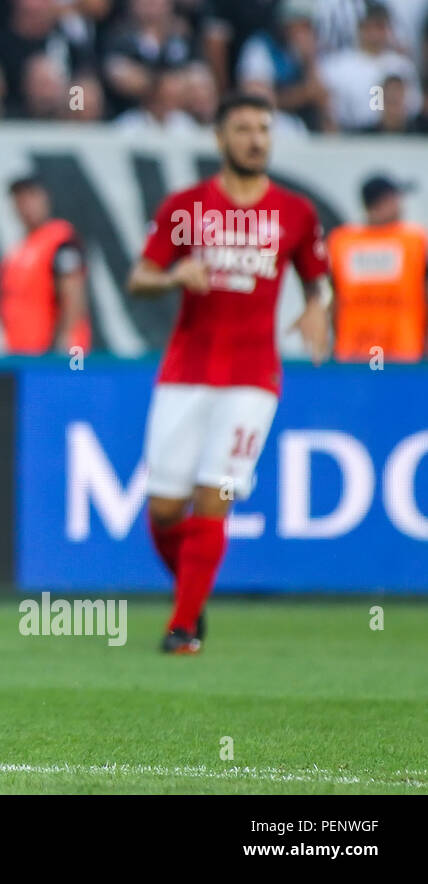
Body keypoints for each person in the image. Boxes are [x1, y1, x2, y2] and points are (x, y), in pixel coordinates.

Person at [127, 92, 331, 654]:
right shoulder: (186, 207)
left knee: (214, 493)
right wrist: (174, 278)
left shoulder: (295, 212)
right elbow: (139, 277)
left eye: (263, 129)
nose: (255, 139)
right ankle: (191, 597)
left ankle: (183, 627)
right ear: (220, 139)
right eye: (242, 129)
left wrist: (316, 307)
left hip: (252, 377)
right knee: (164, 509)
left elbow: (317, 276)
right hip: (185, 372)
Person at [328, 174, 427, 363]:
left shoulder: (341, 243)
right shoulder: (414, 242)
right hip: (397, 353)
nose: (400, 205)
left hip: (364, 352)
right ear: (381, 202)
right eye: (395, 199)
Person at [0, 176, 91, 354]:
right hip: (22, 351)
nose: (26, 206)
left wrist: (65, 340)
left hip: (51, 351)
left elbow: (73, 291)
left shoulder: (60, 240)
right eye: (20, 200)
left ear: (45, 198)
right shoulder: (19, 249)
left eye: (31, 197)